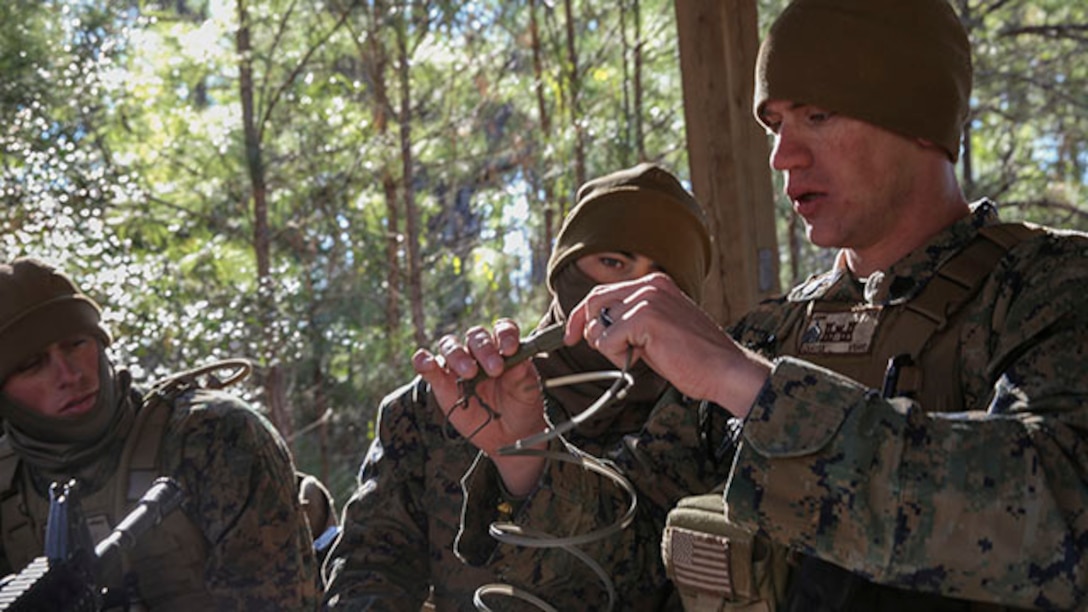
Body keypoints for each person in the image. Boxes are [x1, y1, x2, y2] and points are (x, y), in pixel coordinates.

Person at [423, 0, 1088, 610]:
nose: (780, 155)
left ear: (918, 120)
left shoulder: (1048, 287)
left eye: (818, 115)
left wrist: (752, 388)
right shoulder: (772, 332)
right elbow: (631, 552)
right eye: (773, 123)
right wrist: (526, 455)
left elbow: (1058, 512)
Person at [323, 163, 737, 610]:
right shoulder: (446, 404)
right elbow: (367, 573)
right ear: (563, 270)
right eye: (611, 262)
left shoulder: (715, 426)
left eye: (657, 282)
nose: (623, 293)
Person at [0, 258, 320, 609]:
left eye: (76, 343)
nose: (69, 374)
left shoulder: (211, 436)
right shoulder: (7, 484)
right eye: (32, 365)